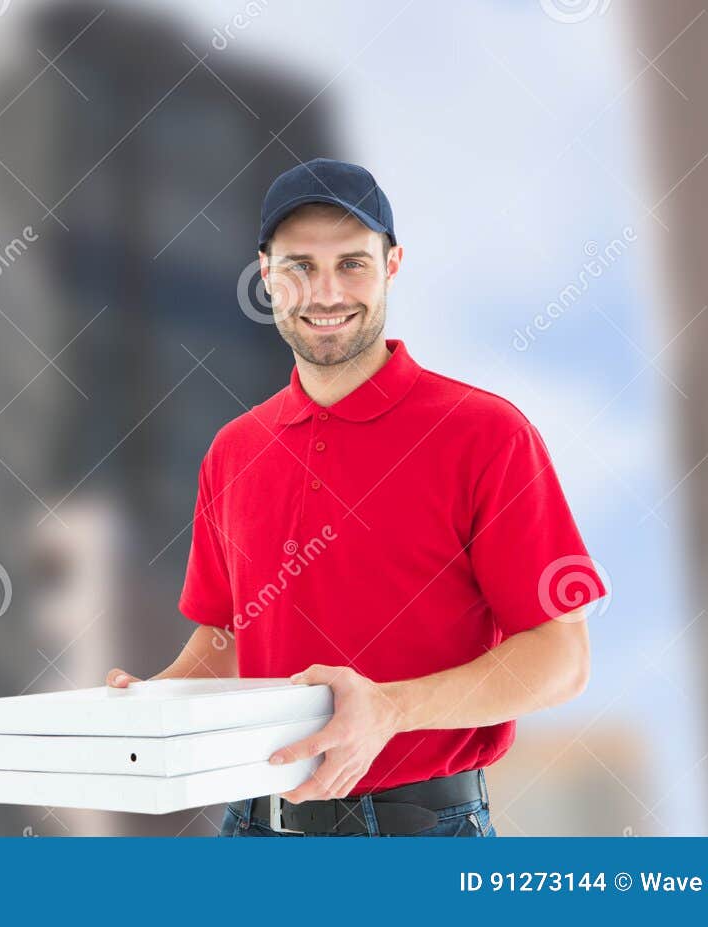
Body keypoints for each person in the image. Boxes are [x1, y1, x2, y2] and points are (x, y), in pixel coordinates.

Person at [106, 158, 607, 837]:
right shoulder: (233, 450)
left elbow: (561, 656)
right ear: (265, 274)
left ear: (393, 263)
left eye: (352, 263)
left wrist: (391, 709)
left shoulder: (485, 434)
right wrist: (155, 700)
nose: (326, 291)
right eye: (300, 266)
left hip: (417, 832)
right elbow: (229, 639)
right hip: (252, 828)